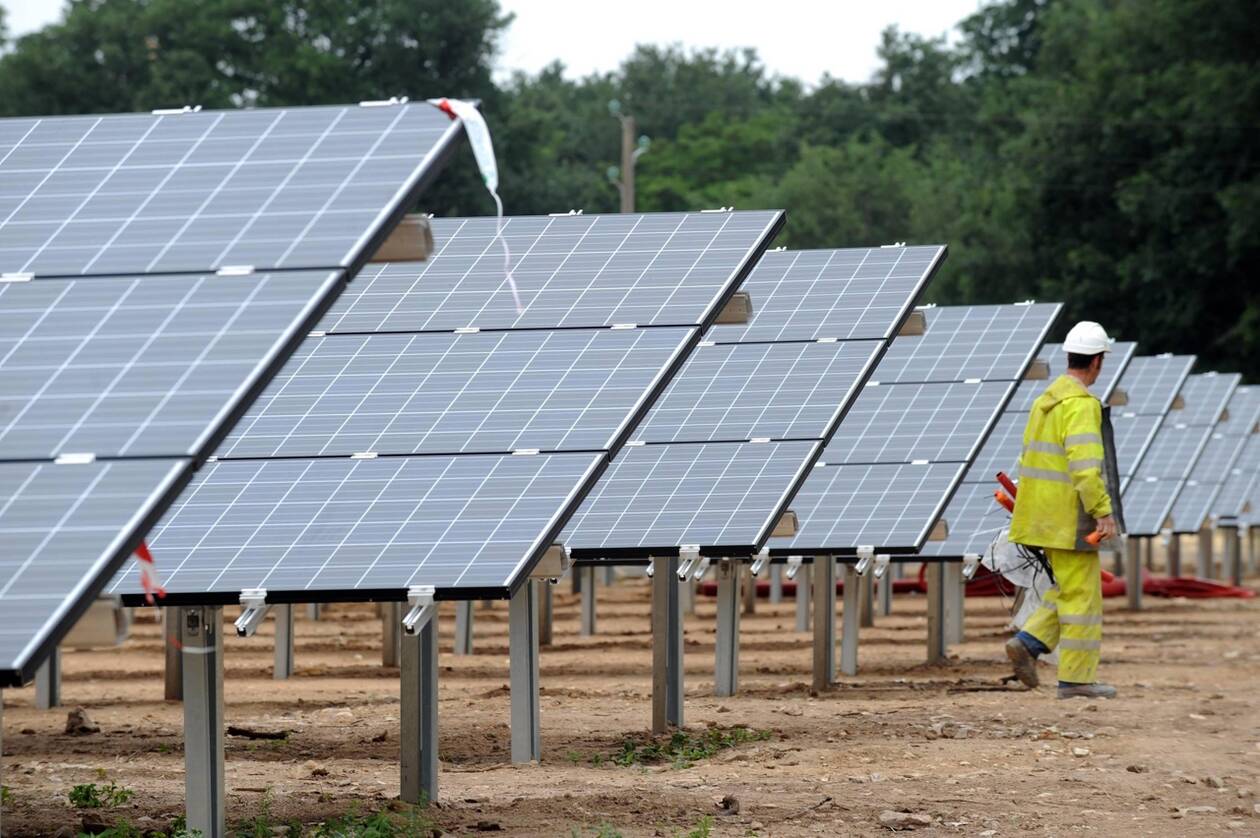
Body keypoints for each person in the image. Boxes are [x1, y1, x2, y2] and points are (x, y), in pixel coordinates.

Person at [1005, 321, 1120, 699]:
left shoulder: (1045, 403)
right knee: (1083, 596)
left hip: (1041, 515)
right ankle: (1076, 678)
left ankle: (1029, 642)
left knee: (1069, 589)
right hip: (1071, 519)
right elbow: (1085, 468)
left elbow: (1029, 459)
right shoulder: (1080, 406)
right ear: (1098, 362)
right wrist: (1102, 512)